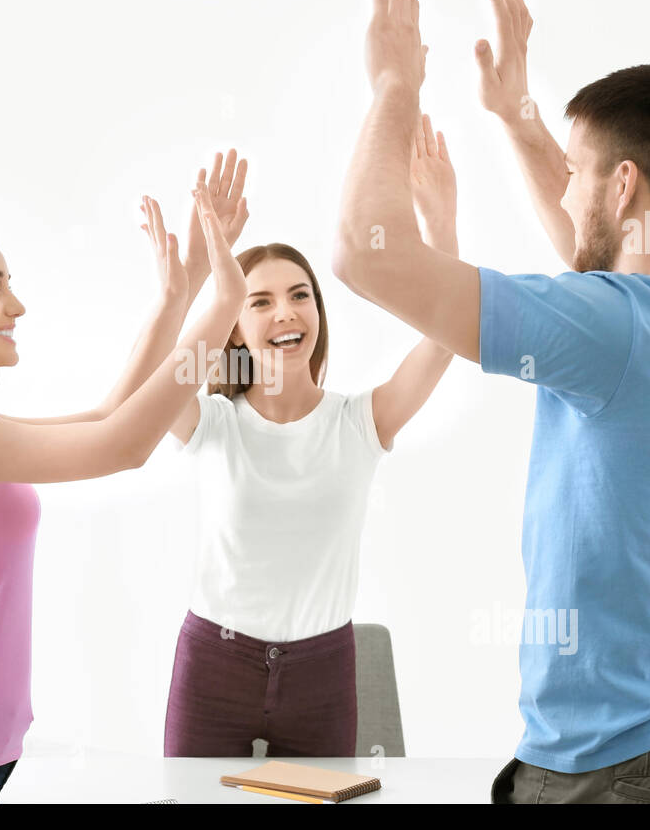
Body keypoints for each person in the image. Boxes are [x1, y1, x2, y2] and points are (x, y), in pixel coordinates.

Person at [332, 0, 650, 803]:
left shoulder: (613, 327)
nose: (567, 188)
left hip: (631, 768)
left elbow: (367, 257)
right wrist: (516, 116)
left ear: (624, 187)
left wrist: (392, 84)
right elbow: (600, 256)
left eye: (581, 174)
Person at [0, 185, 245, 802]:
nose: (18, 306)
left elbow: (109, 415)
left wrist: (177, 295)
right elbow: (122, 445)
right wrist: (225, 305)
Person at [158, 146, 457, 757]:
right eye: (259, 301)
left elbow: (444, 335)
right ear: (233, 325)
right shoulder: (210, 423)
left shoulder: (358, 422)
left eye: (299, 295)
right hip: (214, 664)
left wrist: (442, 227)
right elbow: (153, 376)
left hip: (323, 670)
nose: (286, 312)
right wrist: (195, 281)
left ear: (318, 311)